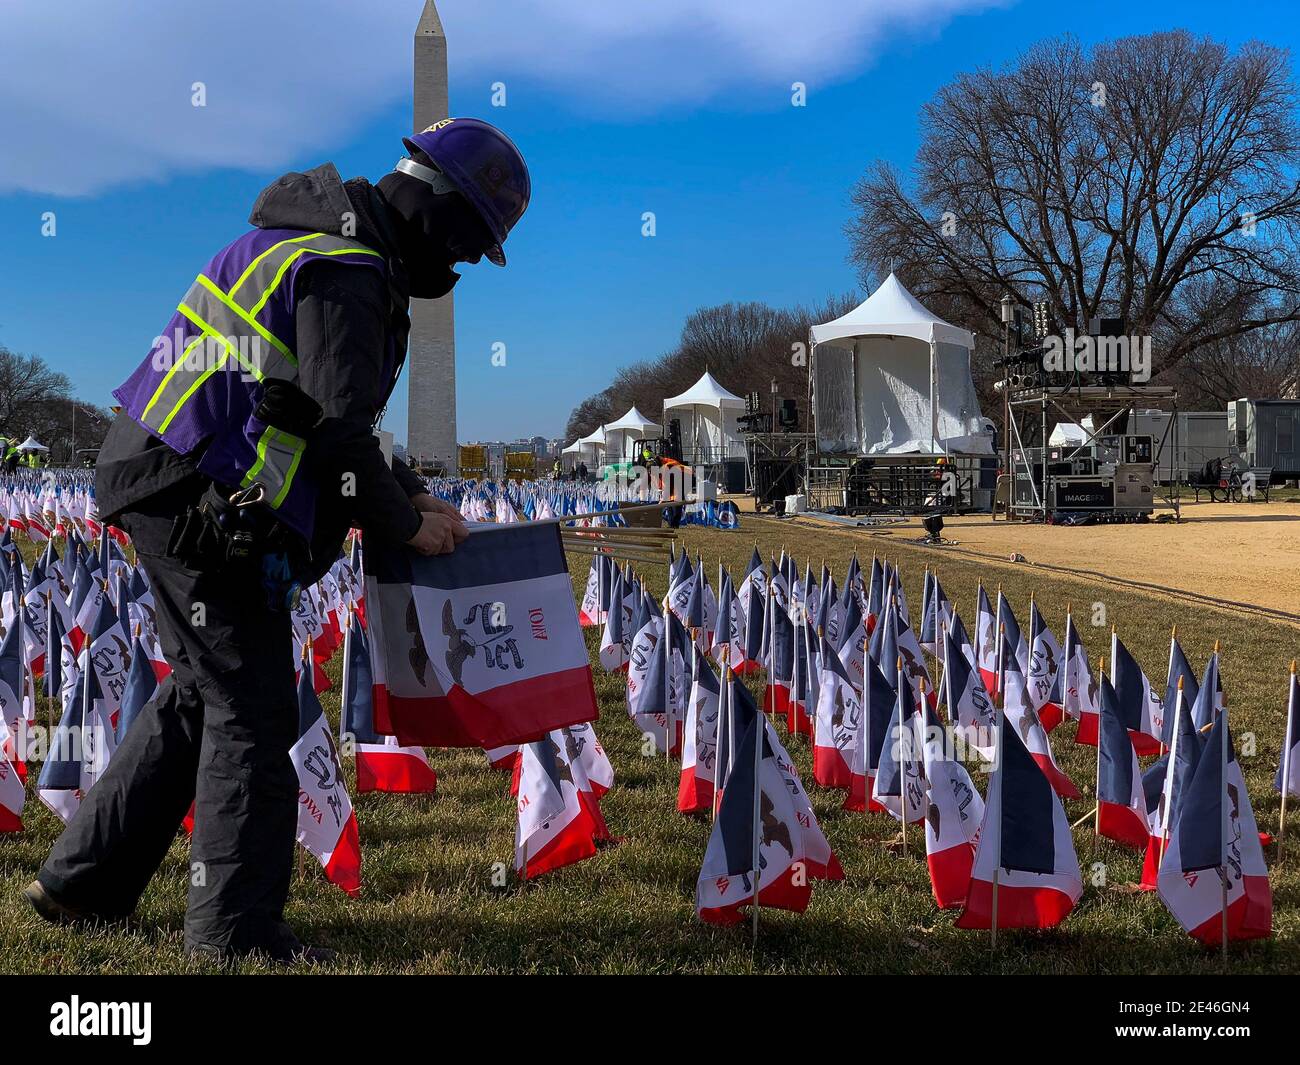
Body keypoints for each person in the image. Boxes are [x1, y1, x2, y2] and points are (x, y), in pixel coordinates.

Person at [24, 117, 531, 964]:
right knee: (253, 712)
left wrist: (408, 492)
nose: (468, 266)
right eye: (473, 242)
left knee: (203, 692)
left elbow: (334, 415)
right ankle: (234, 934)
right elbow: (335, 434)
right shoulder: (349, 270)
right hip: (190, 489)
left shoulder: (317, 243)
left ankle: (79, 883)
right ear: (438, 210)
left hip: (165, 471)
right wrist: (406, 524)